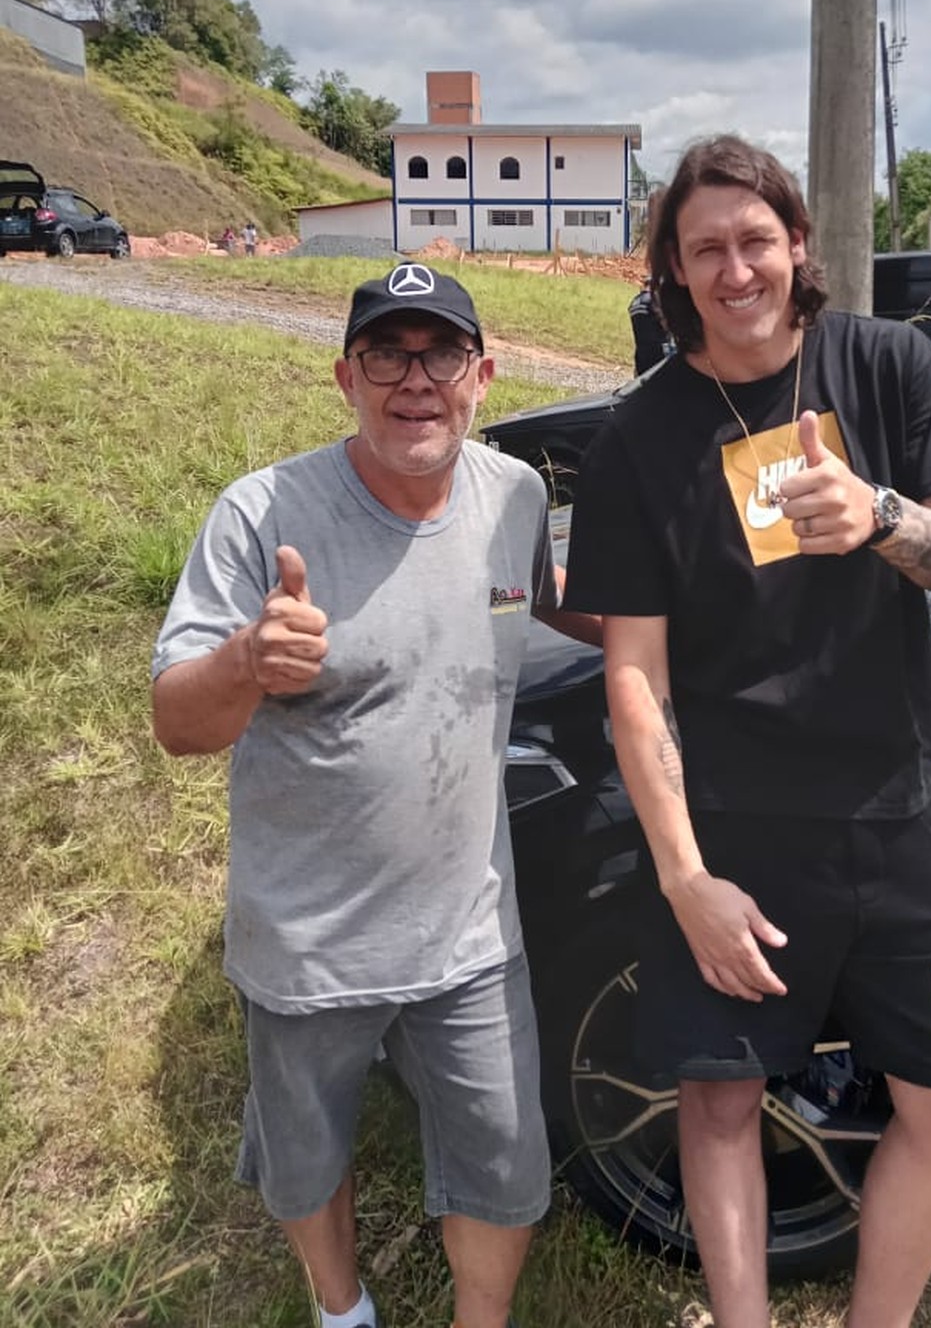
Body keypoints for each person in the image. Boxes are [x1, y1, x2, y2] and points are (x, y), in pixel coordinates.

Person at [563, 135, 931, 1328]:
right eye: (704, 247)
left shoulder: (889, 365)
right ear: (671, 269)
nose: (735, 267)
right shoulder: (638, 444)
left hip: (897, 808)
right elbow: (635, 678)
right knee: (717, 1097)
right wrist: (686, 879)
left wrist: (880, 514)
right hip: (738, 831)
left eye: (755, 239)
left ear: (798, 244)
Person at [152, 263, 600, 1328]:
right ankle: (341, 1306)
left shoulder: (517, 492)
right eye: (386, 355)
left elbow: (546, 602)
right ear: (345, 375)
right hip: (306, 938)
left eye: (440, 352)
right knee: (305, 1165)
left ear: (482, 375)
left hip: (468, 930)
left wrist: (697, 625)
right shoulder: (262, 513)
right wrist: (248, 661)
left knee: (506, 1163)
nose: (415, 380)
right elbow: (177, 722)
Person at [628, 276, 674, 377]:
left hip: (643, 357)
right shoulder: (652, 301)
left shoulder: (636, 302)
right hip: (660, 355)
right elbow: (667, 323)